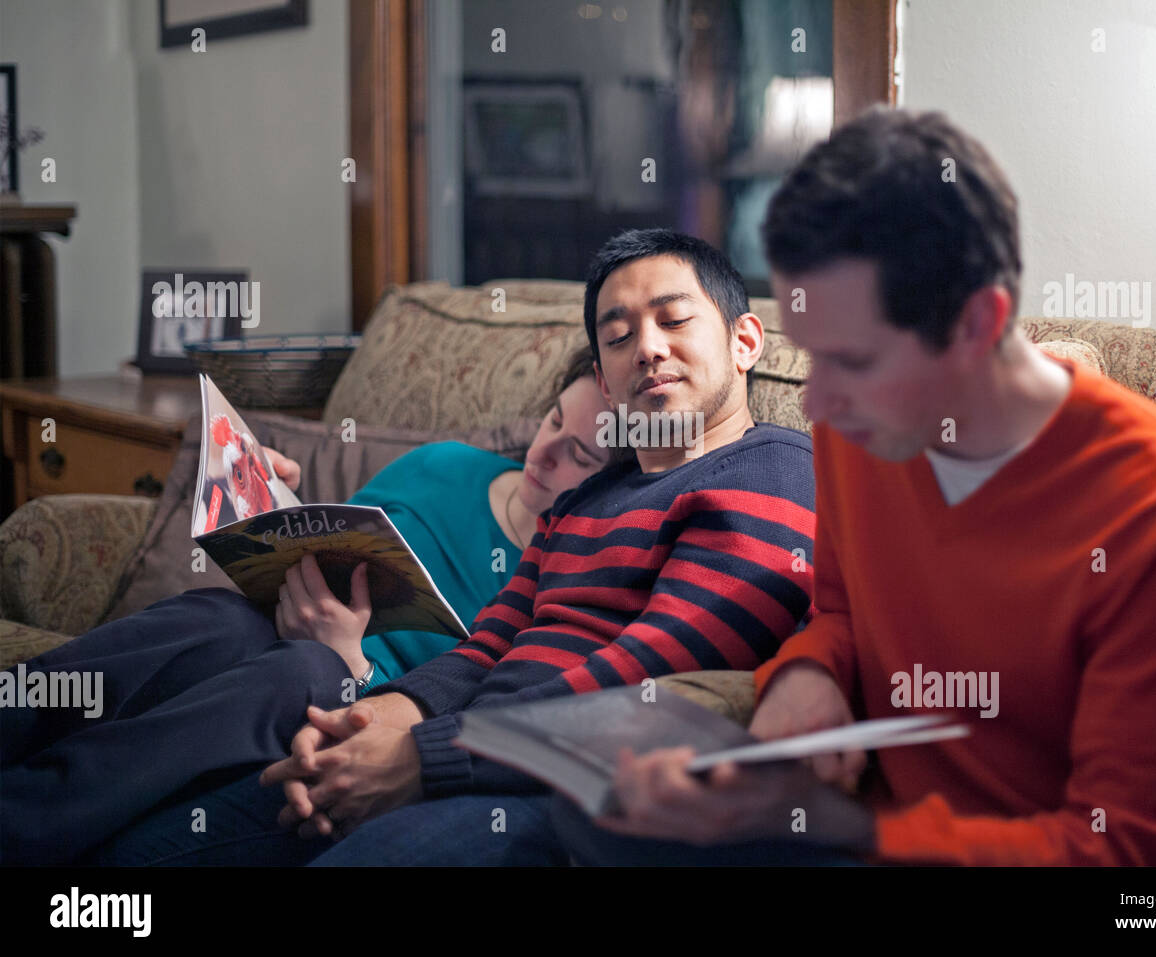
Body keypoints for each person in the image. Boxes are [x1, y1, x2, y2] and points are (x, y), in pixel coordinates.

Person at [554, 107, 1156, 866]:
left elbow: (1119, 846)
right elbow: (839, 610)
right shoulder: (857, 429)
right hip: (898, 821)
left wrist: (852, 835)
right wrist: (807, 673)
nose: (817, 402)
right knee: (601, 817)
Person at [90, 228, 818, 866]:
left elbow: (653, 672)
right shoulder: (583, 502)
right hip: (447, 750)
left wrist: (420, 759)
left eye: (674, 319)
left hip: (545, 789)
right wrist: (375, 722)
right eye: (619, 335)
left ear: (745, 341)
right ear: (602, 375)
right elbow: (485, 645)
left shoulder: (771, 469)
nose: (648, 348)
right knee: (144, 852)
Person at [0, 347, 617, 864]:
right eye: (554, 422)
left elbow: (451, 707)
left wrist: (349, 660)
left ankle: (21, 821)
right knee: (219, 615)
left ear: (613, 482)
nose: (544, 453)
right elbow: (334, 539)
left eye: (579, 456)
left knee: (306, 671)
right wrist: (274, 504)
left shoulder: (562, 579)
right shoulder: (444, 464)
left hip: (348, 699)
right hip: (262, 632)